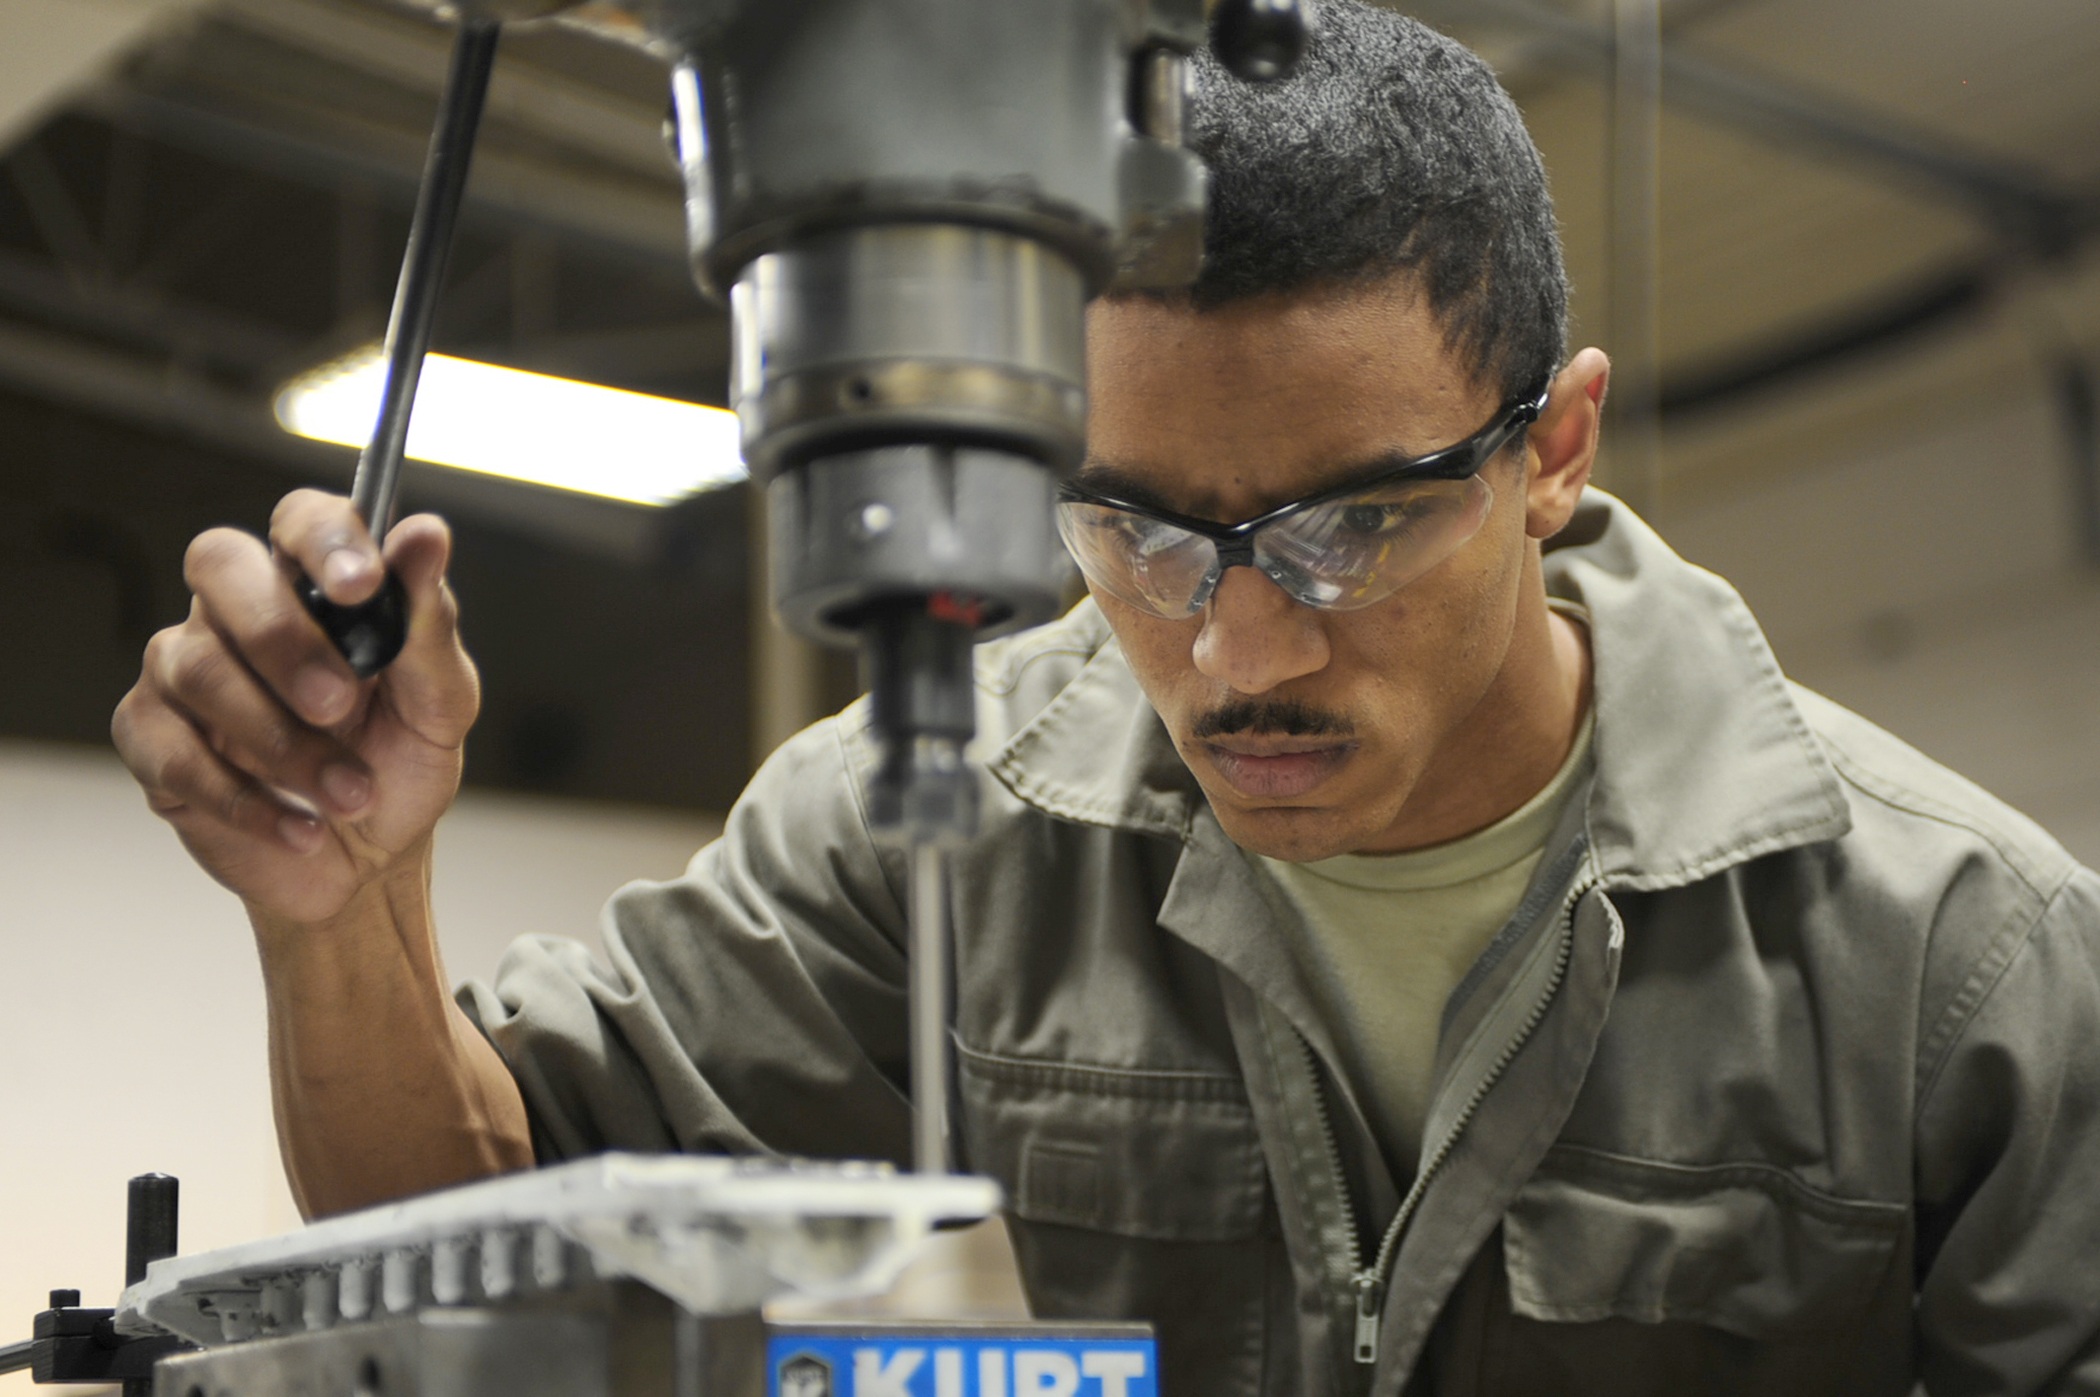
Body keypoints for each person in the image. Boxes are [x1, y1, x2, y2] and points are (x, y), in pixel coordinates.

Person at [111, 5, 2100, 1394]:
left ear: (1553, 444)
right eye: (1136, 530)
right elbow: (473, 1238)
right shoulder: (924, 831)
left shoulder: (1959, 959)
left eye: (1351, 529)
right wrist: (339, 906)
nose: (1239, 654)